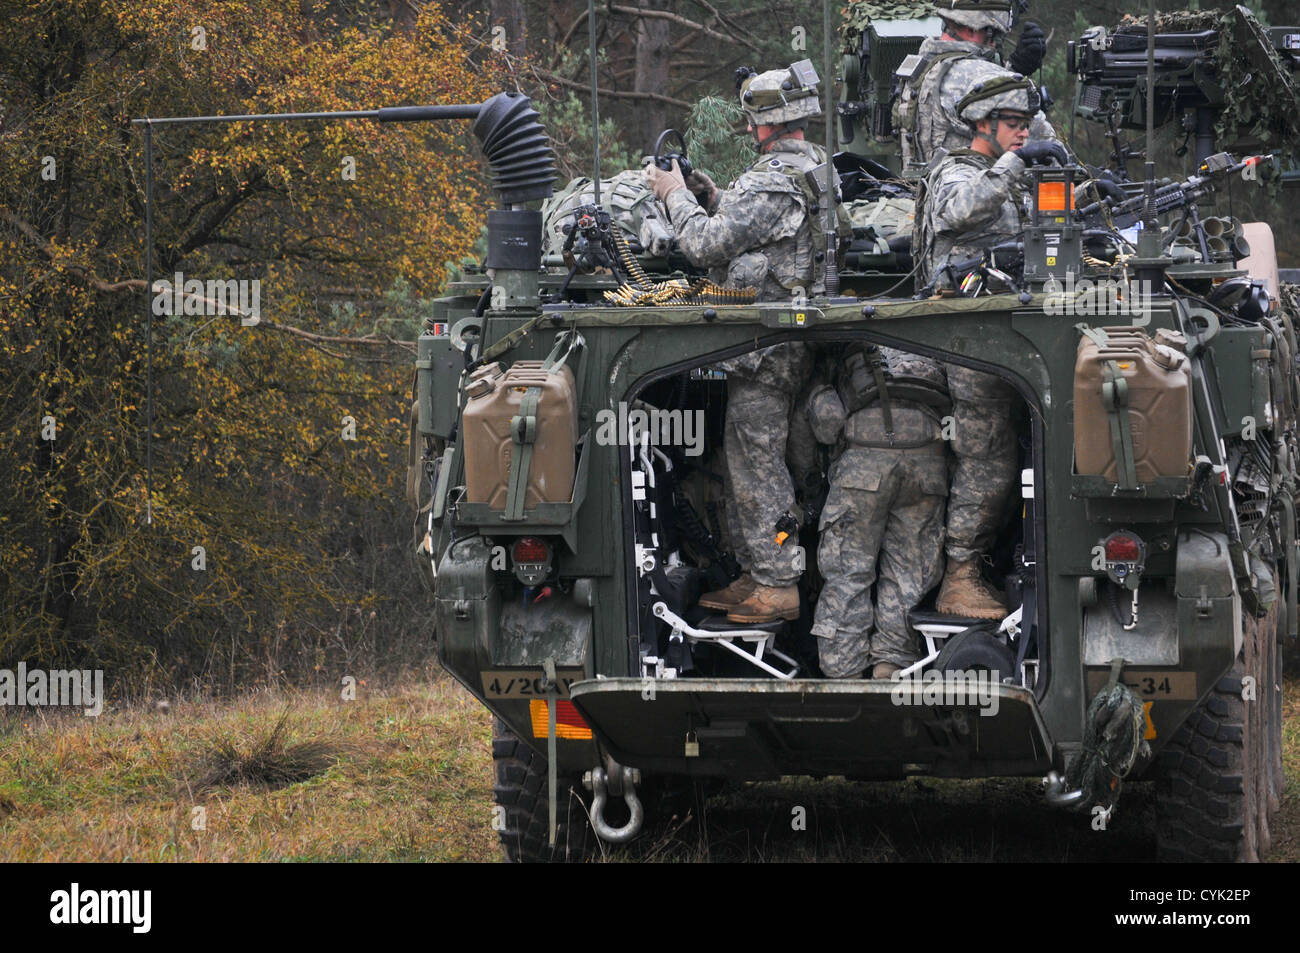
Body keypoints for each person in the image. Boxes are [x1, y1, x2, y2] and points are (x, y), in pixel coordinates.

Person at [645, 60, 850, 624]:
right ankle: (761, 570)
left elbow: (705, 246)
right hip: (799, 338)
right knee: (767, 460)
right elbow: (760, 230)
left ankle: (777, 582)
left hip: (766, 342)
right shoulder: (817, 168)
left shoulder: (771, 177)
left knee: (755, 460)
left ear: (761, 123)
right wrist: (710, 194)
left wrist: (672, 194)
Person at [915, 68, 1068, 619]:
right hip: (968, 345)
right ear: (982, 124)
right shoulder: (956, 172)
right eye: (1013, 123)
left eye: (1027, 123)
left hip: (1014, 341)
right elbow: (957, 211)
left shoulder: (1012, 173)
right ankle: (959, 577)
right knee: (986, 459)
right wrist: (1015, 164)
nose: (1023, 133)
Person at [806, 348, 951, 679]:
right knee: (909, 574)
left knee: (848, 571)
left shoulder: (849, 348)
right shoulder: (931, 345)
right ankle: (891, 665)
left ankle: (843, 672)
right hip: (927, 465)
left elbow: (827, 425)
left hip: (863, 467)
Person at [895, 0, 1057, 177]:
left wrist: (1013, 71)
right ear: (973, 29)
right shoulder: (982, 75)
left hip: (923, 196)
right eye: (994, 35)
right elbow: (1047, 143)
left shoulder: (920, 66)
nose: (995, 43)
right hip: (979, 198)